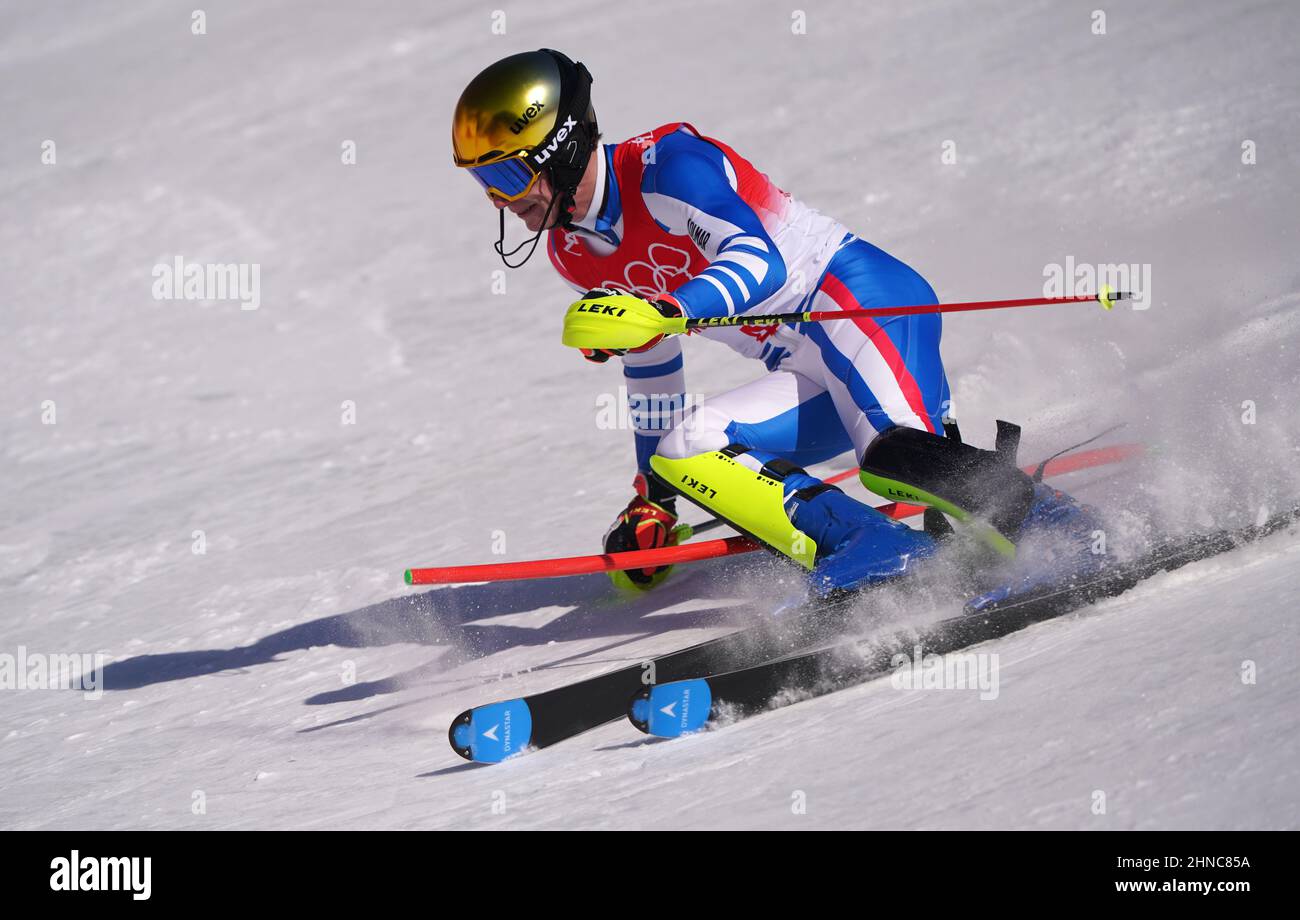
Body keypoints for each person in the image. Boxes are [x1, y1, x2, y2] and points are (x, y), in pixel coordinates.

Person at [451, 49, 1094, 597]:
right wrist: (656, 498)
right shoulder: (574, 252)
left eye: (508, 175)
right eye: (486, 185)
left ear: (560, 147)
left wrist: (670, 310)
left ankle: (1071, 527)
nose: (504, 201)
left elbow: (754, 257)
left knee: (892, 457)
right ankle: (876, 552)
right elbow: (649, 361)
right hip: (797, 361)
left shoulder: (665, 168)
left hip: (854, 302)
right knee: (686, 450)